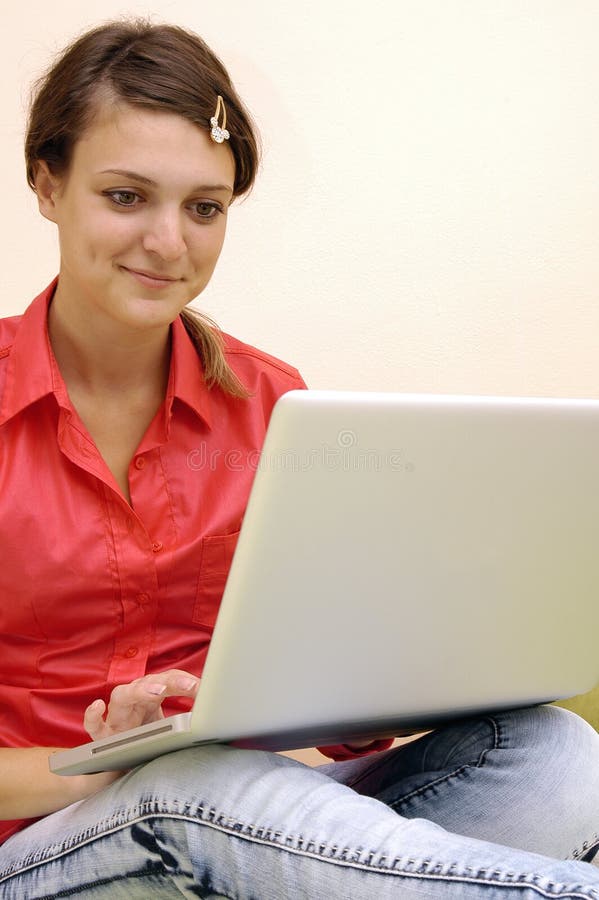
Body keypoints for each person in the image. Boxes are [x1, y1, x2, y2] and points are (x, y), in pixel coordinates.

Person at [0, 18, 598, 900]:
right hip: (48, 845)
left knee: (552, 749)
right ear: (47, 183)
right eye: (127, 196)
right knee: (187, 781)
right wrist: (90, 769)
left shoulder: (274, 404)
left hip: (264, 824)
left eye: (204, 207)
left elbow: (339, 711)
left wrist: (406, 664)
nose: (170, 242)